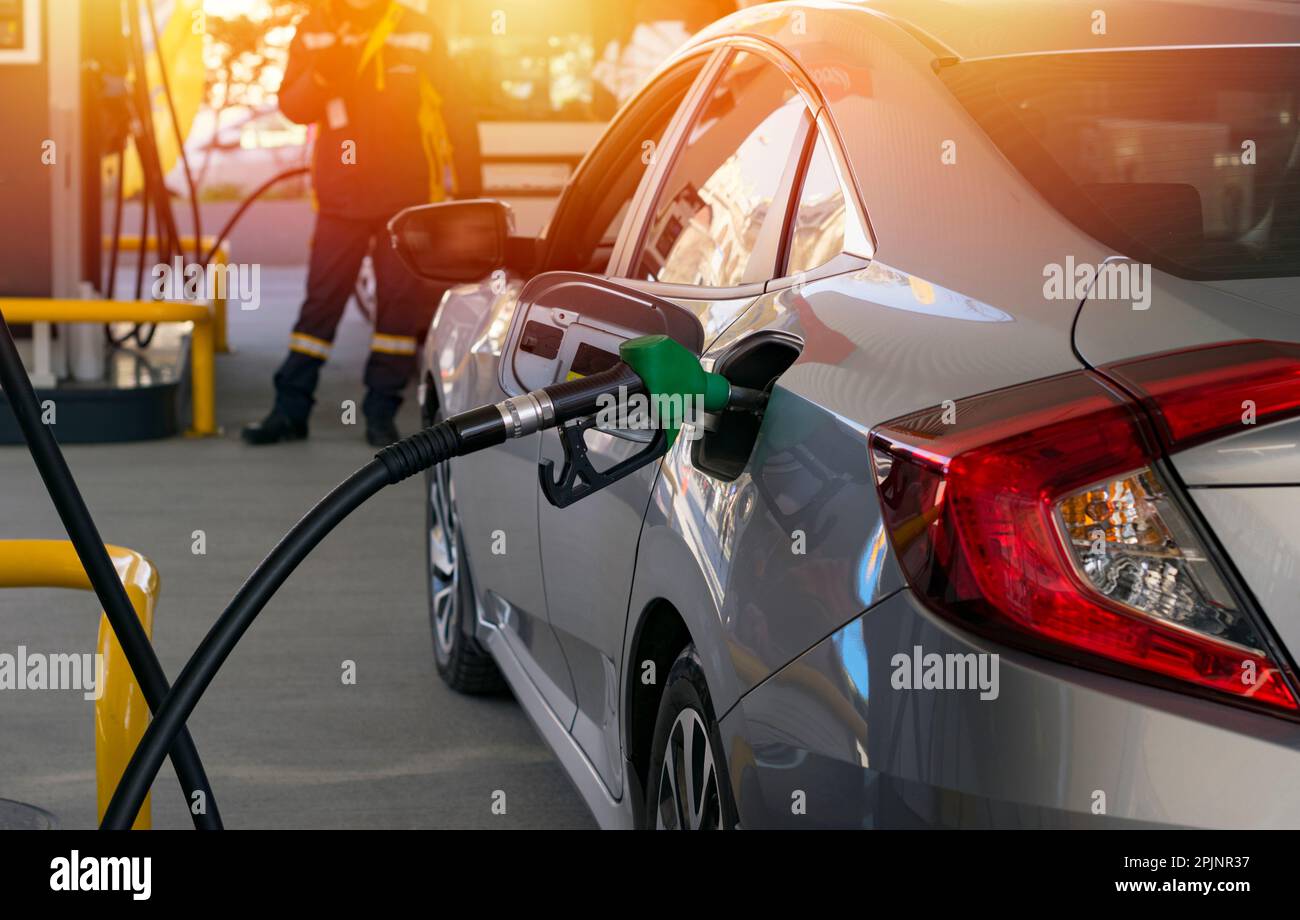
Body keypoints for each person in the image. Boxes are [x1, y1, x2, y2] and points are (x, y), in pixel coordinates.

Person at [243, 0, 480, 447]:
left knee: (398, 308)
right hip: (341, 198)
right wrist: (321, 76)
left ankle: (381, 413)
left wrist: (470, 192)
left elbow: (458, 112)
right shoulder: (313, 28)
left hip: (407, 197)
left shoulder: (418, 30)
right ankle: (290, 411)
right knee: (321, 304)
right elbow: (294, 108)